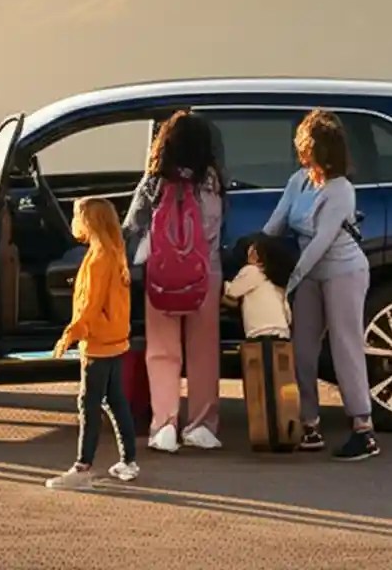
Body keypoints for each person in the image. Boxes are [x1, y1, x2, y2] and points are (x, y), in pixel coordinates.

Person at [263, 109, 379, 461]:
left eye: (308, 147)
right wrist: (257, 252)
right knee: (302, 349)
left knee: (345, 346)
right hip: (309, 272)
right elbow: (276, 225)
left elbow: (322, 241)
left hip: (343, 270)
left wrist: (292, 281)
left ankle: (363, 428)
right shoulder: (298, 181)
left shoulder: (341, 191)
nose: (303, 153)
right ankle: (309, 424)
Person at [123, 110, 226, 453]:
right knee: (203, 353)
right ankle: (201, 426)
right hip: (205, 275)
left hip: (162, 275)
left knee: (163, 352)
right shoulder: (211, 180)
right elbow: (215, 229)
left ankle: (164, 425)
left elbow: (132, 226)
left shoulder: (154, 181)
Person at [47, 197, 140, 490]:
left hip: (97, 343)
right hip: (115, 340)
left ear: (89, 222)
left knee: (88, 403)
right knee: (116, 401)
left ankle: (82, 466)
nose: (74, 220)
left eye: (77, 215)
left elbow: (89, 304)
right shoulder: (114, 253)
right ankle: (129, 460)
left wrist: (70, 334)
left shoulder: (97, 259)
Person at [224, 235, 294, 340]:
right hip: (282, 332)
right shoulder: (277, 281)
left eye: (256, 250)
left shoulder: (252, 270)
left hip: (259, 331)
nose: (252, 251)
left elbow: (231, 292)